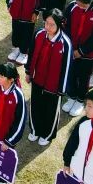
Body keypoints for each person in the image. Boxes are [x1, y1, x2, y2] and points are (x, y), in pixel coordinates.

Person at [27, 8, 72, 146]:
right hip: (38, 79)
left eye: (52, 24)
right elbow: (31, 54)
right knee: (35, 105)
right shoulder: (39, 34)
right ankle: (35, 129)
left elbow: (67, 68)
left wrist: (61, 89)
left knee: (50, 111)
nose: (48, 27)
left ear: (59, 25)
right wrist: (28, 72)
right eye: (46, 23)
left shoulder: (65, 43)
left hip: (54, 85)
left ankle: (47, 134)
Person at [63, 0, 93, 116]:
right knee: (71, 73)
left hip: (88, 53)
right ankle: (72, 96)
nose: (80, 5)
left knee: (84, 76)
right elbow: (66, 27)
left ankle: (81, 100)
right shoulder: (72, 7)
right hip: (71, 49)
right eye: (78, 2)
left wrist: (81, 51)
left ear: (91, 1)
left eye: (83, 3)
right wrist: (71, 47)